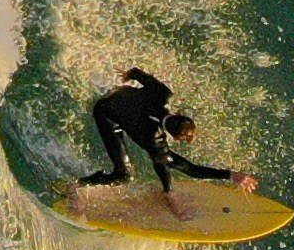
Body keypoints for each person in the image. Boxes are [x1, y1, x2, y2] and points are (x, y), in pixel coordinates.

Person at [76, 67, 239, 200]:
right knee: (125, 175)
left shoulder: (163, 94)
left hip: (115, 95)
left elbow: (136, 73)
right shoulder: (154, 140)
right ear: (174, 137)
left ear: (177, 113)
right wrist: (230, 175)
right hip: (106, 114)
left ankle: (167, 191)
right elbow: (191, 169)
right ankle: (79, 184)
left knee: (156, 155)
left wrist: (128, 75)